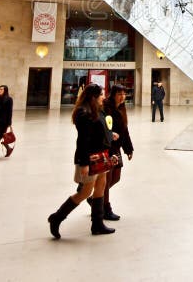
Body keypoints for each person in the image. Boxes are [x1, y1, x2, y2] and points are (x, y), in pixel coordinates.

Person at [48, 84, 117, 238]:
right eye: (101, 95)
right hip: (90, 157)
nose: (103, 97)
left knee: (101, 186)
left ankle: (97, 224)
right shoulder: (83, 112)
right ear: (93, 96)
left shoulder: (97, 109)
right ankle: (57, 218)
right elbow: (83, 140)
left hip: (101, 155)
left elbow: (100, 129)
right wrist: (84, 163)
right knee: (85, 192)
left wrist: (111, 135)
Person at [102, 85, 133, 221]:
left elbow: (124, 130)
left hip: (117, 148)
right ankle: (105, 208)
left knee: (116, 178)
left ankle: (96, 198)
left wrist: (128, 149)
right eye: (120, 94)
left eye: (124, 94)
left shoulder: (121, 108)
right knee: (107, 179)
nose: (122, 97)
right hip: (107, 147)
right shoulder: (106, 107)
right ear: (113, 94)